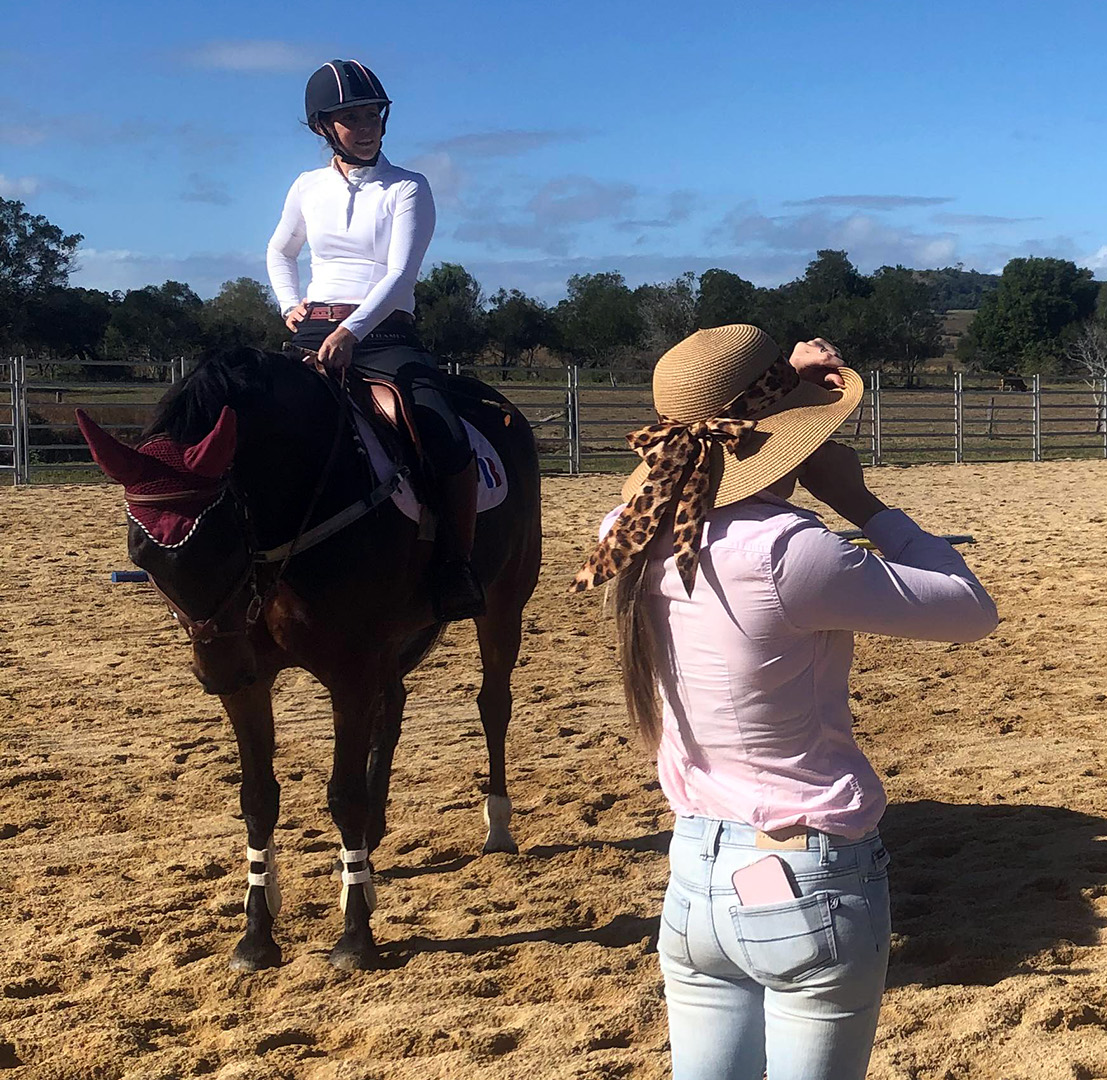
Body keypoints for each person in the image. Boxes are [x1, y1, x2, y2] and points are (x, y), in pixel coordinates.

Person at [572, 325, 999, 1080]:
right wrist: (860, 500)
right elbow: (969, 609)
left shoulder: (627, 535)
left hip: (695, 873)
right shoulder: (792, 550)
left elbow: (683, 465)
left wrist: (781, 396)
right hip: (807, 876)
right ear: (784, 442)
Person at [266, 59, 485, 621]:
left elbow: (399, 274)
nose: (366, 127)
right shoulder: (306, 186)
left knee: (438, 425)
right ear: (323, 127)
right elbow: (281, 250)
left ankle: (455, 564)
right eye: (350, 118)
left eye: (373, 115)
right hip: (315, 325)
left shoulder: (408, 187)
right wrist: (291, 305)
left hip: (384, 331)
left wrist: (350, 331)